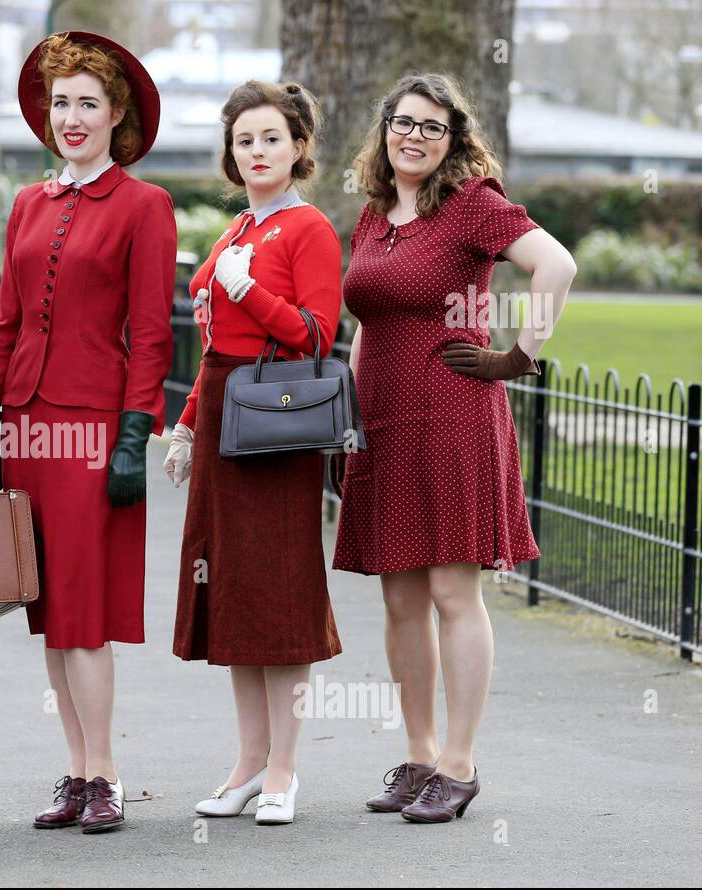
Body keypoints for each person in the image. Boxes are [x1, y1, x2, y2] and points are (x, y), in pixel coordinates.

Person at [333, 73, 576, 822]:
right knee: (400, 598)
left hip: (452, 413)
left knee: (450, 593)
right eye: (403, 123)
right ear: (385, 129)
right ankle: (418, 755)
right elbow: (368, 321)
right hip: (380, 420)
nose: (414, 137)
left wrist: (518, 357)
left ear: (453, 141)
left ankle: (460, 765)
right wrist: (345, 412)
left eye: (431, 128)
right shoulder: (375, 215)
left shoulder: (472, 204)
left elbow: (556, 264)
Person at [0, 31, 176, 834]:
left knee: (84, 611)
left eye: (89, 103)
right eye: (61, 104)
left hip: (93, 431)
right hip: (25, 425)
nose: (73, 117)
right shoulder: (28, 203)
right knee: (48, 608)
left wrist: (134, 437)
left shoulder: (144, 206)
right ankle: (75, 769)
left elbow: (153, 336)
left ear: (116, 114)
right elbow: (6, 320)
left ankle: (107, 777)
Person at [166, 81, 342, 825]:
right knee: (233, 591)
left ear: (298, 146)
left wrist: (249, 292)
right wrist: (183, 425)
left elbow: (317, 335)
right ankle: (246, 760)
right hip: (221, 417)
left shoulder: (309, 230)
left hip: (276, 423)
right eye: (244, 140)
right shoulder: (234, 230)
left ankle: (284, 768)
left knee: (279, 592)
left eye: (271, 137)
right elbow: (213, 347)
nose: (257, 151)